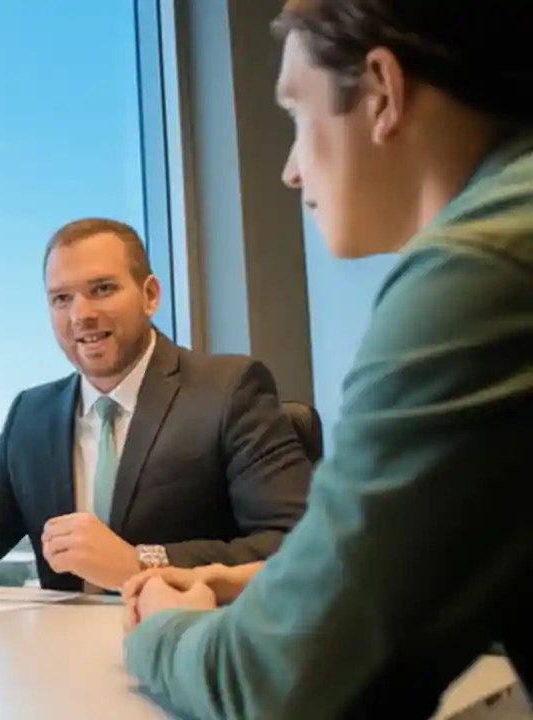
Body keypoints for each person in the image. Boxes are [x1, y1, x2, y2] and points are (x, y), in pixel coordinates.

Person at [122, 0, 532, 717]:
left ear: (380, 91)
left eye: (296, 114)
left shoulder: (481, 271)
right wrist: (240, 583)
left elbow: (279, 683)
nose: (287, 169)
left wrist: (158, 621)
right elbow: (432, 550)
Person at [0, 218, 313, 592]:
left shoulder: (229, 390)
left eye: (103, 289)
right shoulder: (30, 415)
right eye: (61, 299)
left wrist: (142, 563)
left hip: (191, 651)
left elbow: (296, 546)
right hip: (63, 661)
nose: (81, 315)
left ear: (150, 295)